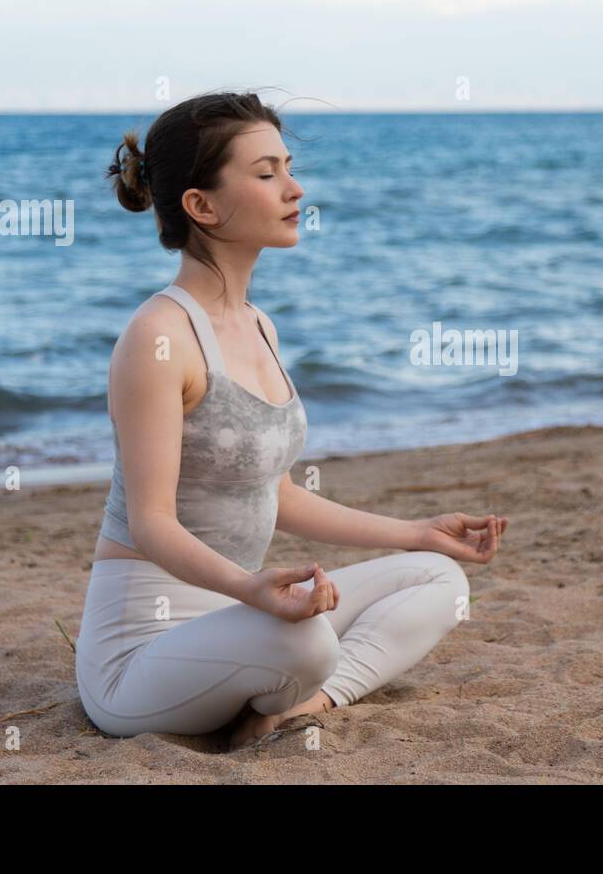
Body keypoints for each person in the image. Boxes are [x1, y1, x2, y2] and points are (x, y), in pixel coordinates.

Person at [76, 90, 508, 748]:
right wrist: (252, 588)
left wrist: (419, 531)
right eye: (266, 172)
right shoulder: (158, 336)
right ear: (202, 205)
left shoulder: (259, 327)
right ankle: (291, 674)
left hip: (240, 620)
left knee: (439, 580)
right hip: (141, 653)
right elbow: (151, 522)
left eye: (288, 166)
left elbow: (272, 492)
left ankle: (306, 707)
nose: (294, 187)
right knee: (305, 639)